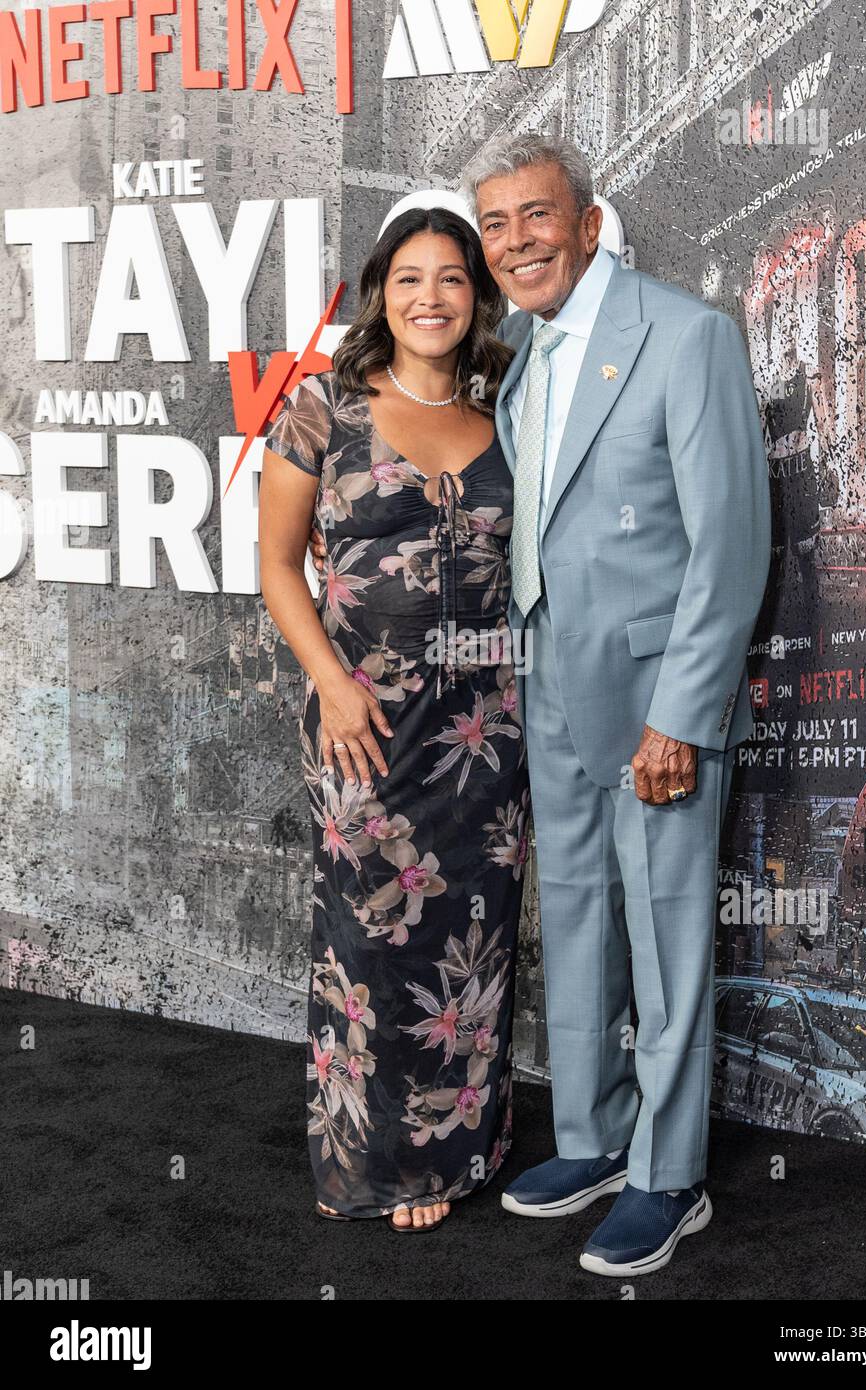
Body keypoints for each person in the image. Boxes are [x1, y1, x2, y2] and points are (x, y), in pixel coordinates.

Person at [311, 132, 771, 1277]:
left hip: (656, 705)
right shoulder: (515, 360)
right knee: (568, 920)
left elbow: (730, 546)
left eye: (536, 218)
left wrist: (683, 711)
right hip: (541, 696)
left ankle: (668, 1177)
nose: (516, 242)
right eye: (497, 224)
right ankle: (592, 1137)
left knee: (663, 941)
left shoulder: (684, 334)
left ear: (587, 219)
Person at [259, 206, 529, 1232]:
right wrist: (330, 681)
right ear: (383, 291)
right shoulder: (325, 408)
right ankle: (371, 1161)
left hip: (486, 733)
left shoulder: (510, 409)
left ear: (476, 294)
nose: (430, 297)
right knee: (368, 944)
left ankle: (458, 1150)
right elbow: (278, 563)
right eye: (409, 277)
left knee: (471, 938)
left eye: (451, 278)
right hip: (365, 721)